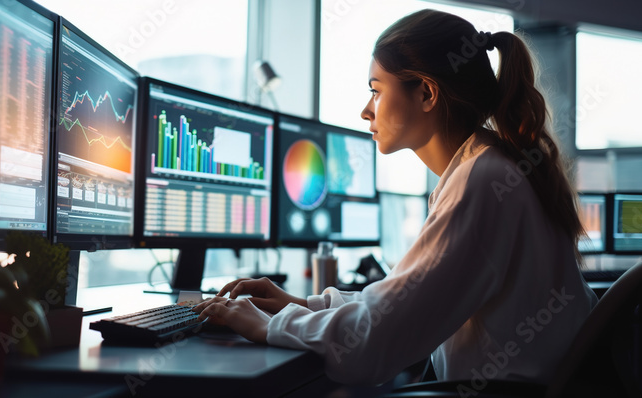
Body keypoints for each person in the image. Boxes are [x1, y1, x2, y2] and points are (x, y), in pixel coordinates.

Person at [193, 9, 598, 386]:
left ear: (425, 93)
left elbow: (372, 344)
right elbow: (396, 302)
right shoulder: (491, 165)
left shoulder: (483, 181)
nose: (366, 111)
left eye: (376, 90)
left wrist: (267, 325)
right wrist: (300, 305)